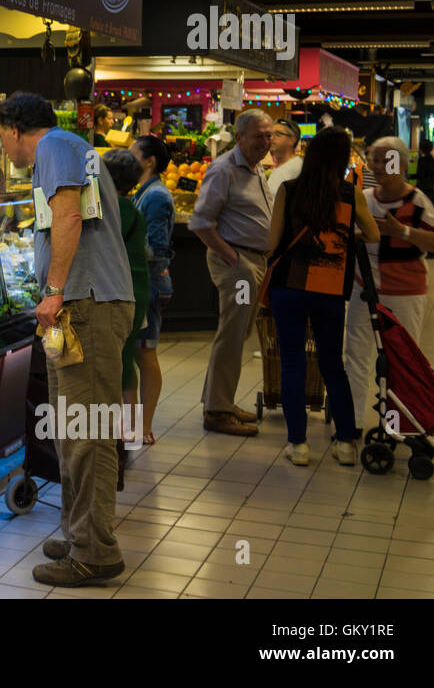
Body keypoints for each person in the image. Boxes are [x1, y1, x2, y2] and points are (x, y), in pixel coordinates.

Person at [0, 92, 134, 587]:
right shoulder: (67, 148)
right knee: (68, 427)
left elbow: (70, 216)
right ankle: (78, 534)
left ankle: (95, 550)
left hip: (85, 306)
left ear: (14, 129)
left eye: (0, 137)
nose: (3, 148)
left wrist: (54, 291)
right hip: (74, 311)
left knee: (87, 429)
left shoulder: (54, 145)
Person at [266, 127, 379, 465]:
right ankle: (345, 443)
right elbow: (372, 234)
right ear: (343, 159)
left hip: (288, 288)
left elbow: (272, 244)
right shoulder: (351, 193)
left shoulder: (289, 189)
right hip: (330, 291)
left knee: (292, 364)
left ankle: (298, 445)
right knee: (333, 365)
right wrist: (343, 235)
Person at [344, 137, 434, 431]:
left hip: (406, 293)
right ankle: (352, 424)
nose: (378, 166)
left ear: (401, 165)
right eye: (374, 160)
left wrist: (402, 231)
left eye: (385, 160)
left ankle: (403, 424)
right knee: (356, 355)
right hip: (364, 290)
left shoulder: (416, 201)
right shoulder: (364, 198)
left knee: (404, 361)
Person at [188, 109, 274, 436]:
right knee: (232, 335)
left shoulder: (256, 168)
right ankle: (217, 412)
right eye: (258, 137)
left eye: (269, 136)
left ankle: (220, 400)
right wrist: (234, 258)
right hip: (237, 264)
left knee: (238, 335)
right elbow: (200, 223)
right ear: (239, 137)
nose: (264, 143)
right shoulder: (224, 170)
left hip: (253, 261)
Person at [129, 135, 174, 444]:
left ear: (149, 161)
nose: (129, 159)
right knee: (138, 353)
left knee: (146, 354)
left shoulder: (156, 196)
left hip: (149, 283)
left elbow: (155, 248)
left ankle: (144, 426)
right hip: (141, 282)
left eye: (134, 154)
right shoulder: (144, 192)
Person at [102, 149, 148, 444]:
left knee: (113, 363)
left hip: (117, 291)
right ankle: (131, 428)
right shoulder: (132, 208)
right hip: (137, 289)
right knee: (127, 358)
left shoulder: (111, 209)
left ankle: (117, 432)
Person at [415, 136, 434, 258]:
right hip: (431, 190)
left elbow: (419, 175)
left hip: (422, 190)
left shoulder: (421, 161)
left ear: (421, 149)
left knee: (421, 218)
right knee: (432, 218)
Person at [266, 118, 303, 197]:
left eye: (278, 134)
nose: (271, 138)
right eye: (270, 134)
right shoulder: (280, 166)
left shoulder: (296, 168)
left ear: (292, 140)